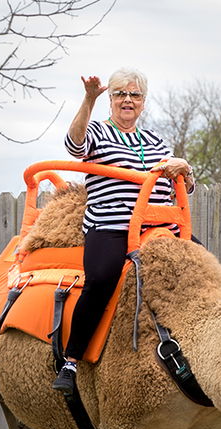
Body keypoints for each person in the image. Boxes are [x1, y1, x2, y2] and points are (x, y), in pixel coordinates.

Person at [52, 68, 193, 393]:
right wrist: (89, 99)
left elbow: (184, 186)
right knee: (101, 278)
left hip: (161, 227)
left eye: (135, 95)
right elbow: (75, 146)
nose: (127, 100)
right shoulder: (99, 132)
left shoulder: (155, 140)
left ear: (143, 103)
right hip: (112, 225)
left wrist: (184, 169)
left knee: (203, 267)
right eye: (120, 94)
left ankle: (197, 346)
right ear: (111, 100)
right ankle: (71, 361)